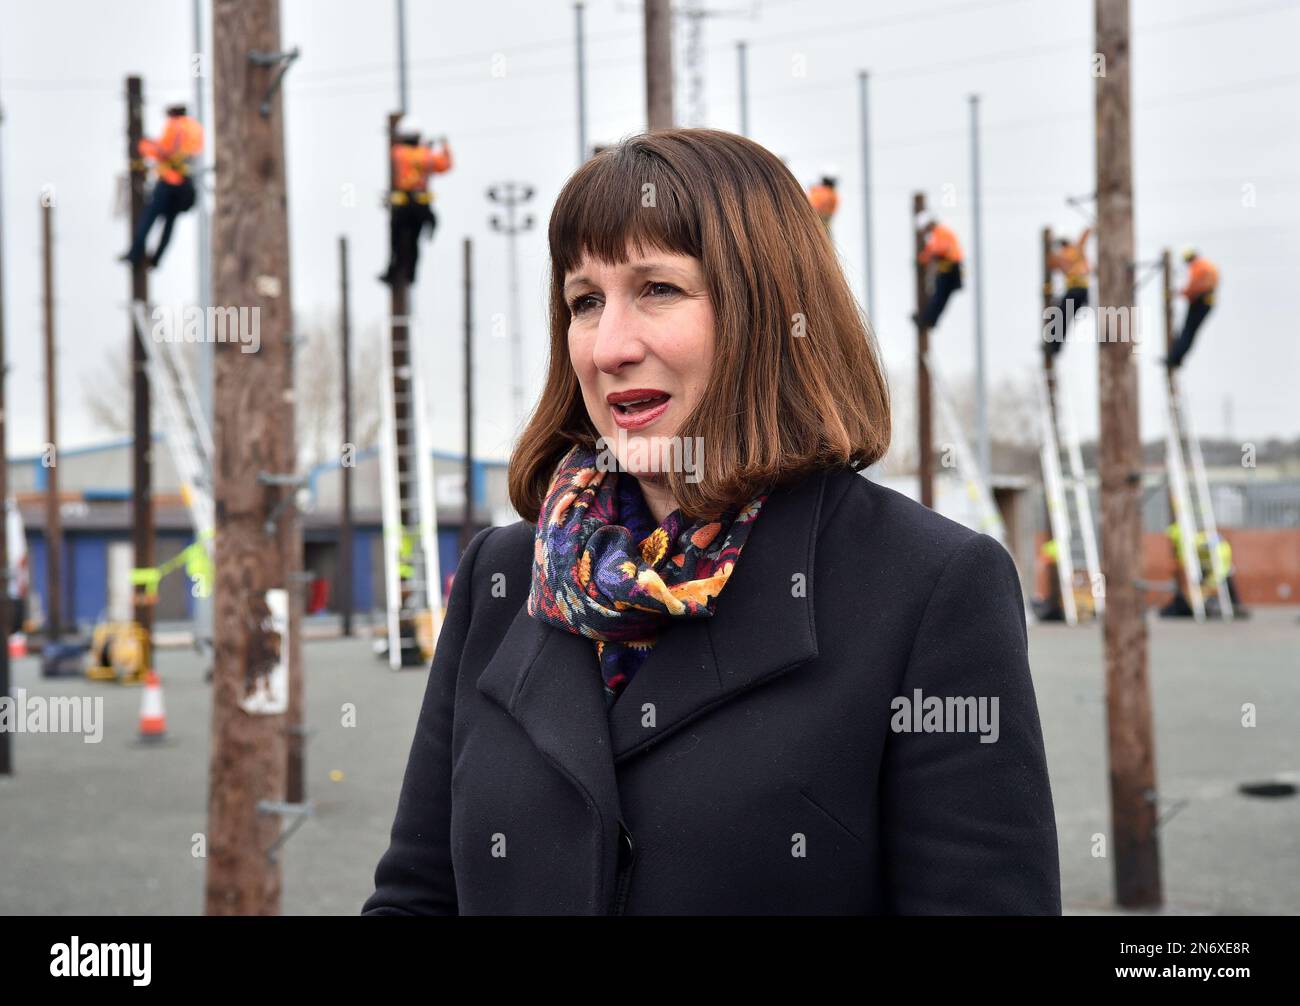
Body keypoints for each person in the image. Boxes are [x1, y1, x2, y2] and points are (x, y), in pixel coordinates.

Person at [362, 128, 1060, 916]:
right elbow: (417, 896)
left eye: (658, 288)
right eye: (585, 301)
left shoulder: (929, 586)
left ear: (767, 312)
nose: (610, 346)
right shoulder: (503, 578)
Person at [120, 101, 203, 268]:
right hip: (186, 184)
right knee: (170, 222)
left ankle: (134, 254)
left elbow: (164, 151)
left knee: (149, 217)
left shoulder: (175, 126)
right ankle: (156, 258)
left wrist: (143, 145)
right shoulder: (195, 128)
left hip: (170, 180)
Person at [379, 117, 452, 286]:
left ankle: (393, 273)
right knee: (413, 243)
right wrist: (444, 146)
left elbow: (400, 151)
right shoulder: (426, 155)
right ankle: (410, 275)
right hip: (421, 206)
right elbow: (445, 164)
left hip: (403, 205)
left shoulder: (398, 152)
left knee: (397, 242)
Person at [1044, 228, 1092, 359]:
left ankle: (1054, 347)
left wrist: (1048, 244)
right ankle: (1054, 346)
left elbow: (1052, 262)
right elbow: (1084, 237)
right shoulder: (1077, 251)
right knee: (1063, 317)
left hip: (1076, 291)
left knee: (1060, 317)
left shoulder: (1067, 253)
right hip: (1082, 292)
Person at [1166, 249, 1218, 370]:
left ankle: (1174, 357)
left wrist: (1176, 294)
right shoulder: (1207, 265)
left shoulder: (1198, 267)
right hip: (1206, 302)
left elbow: (1193, 288)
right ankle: (1176, 357)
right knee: (1191, 332)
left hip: (1200, 303)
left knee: (1188, 331)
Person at [915, 215, 964, 329]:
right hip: (951, 269)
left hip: (950, 269)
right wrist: (923, 258)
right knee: (940, 297)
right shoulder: (941, 233)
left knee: (939, 296)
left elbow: (937, 249)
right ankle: (929, 319)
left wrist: (922, 259)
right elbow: (932, 249)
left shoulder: (939, 233)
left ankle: (927, 320)